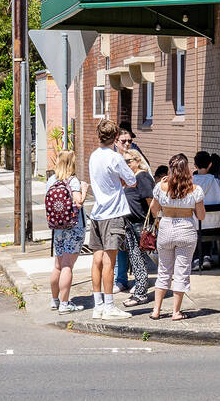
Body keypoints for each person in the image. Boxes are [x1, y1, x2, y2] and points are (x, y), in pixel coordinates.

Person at [86, 118, 136, 319]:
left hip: (97, 212)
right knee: (110, 261)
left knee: (96, 259)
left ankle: (98, 304)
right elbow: (131, 180)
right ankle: (109, 305)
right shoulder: (115, 158)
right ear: (115, 138)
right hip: (113, 213)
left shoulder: (93, 156)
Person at [148, 152, 205, 320]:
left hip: (166, 228)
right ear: (187, 169)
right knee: (181, 271)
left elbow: (153, 208)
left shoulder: (161, 187)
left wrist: (160, 215)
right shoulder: (195, 190)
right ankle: (176, 312)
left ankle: (156, 310)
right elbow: (201, 216)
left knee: (163, 271)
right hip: (186, 230)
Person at [47, 148, 86, 314]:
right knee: (67, 266)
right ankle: (64, 304)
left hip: (57, 227)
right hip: (73, 226)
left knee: (57, 265)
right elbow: (78, 203)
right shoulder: (73, 181)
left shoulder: (51, 180)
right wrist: (84, 189)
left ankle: (54, 300)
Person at [119, 151, 156, 306]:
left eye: (128, 161)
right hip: (131, 223)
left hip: (141, 223)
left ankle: (141, 293)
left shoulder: (142, 177)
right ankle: (140, 291)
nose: (126, 164)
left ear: (137, 160)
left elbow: (151, 201)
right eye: (124, 162)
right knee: (135, 258)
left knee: (141, 257)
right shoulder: (130, 179)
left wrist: (156, 221)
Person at [113, 126, 147, 293]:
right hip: (117, 208)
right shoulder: (112, 157)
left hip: (134, 210)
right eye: (123, 141)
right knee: (120, 246)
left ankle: (140, 279)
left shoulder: (134, 153)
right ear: (115, 141)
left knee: (137, 247)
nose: (127, 144)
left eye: (130, 141)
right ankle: (120, 280)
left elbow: (144, 172)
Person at [191, 151, 220, 269]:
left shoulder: (190, 183)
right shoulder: (217, 182)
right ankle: (206, 257)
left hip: (195, 226)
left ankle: (196, 259)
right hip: (215, 225)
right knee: (207, 225)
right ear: (210, 165)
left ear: (195, 166)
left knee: (196, 226)